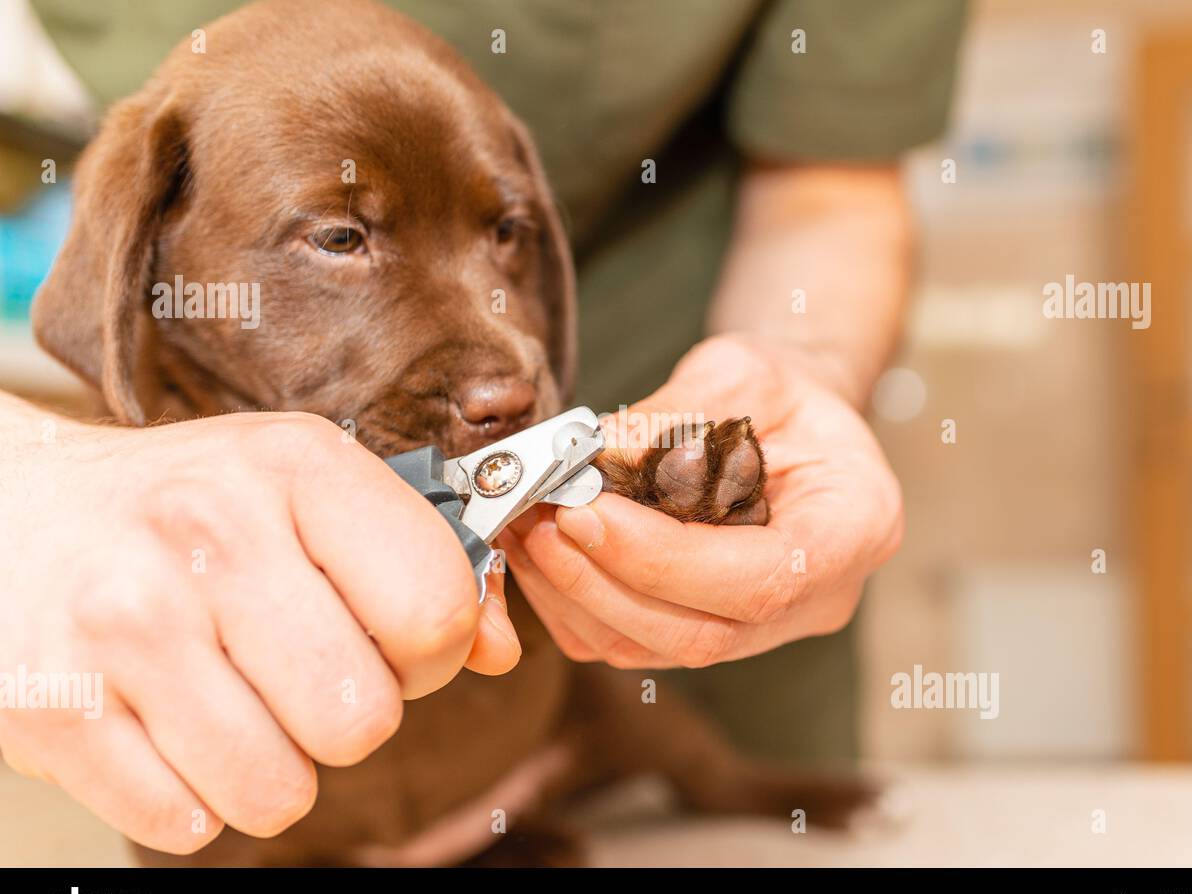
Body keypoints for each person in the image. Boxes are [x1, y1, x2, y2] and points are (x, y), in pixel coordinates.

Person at [4, 0, 968, 850]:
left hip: (611, 695)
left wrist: (799, 372)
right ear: (141, 251)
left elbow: (827, 189)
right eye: (340, 237)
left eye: (504, 233)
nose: (499, 377)